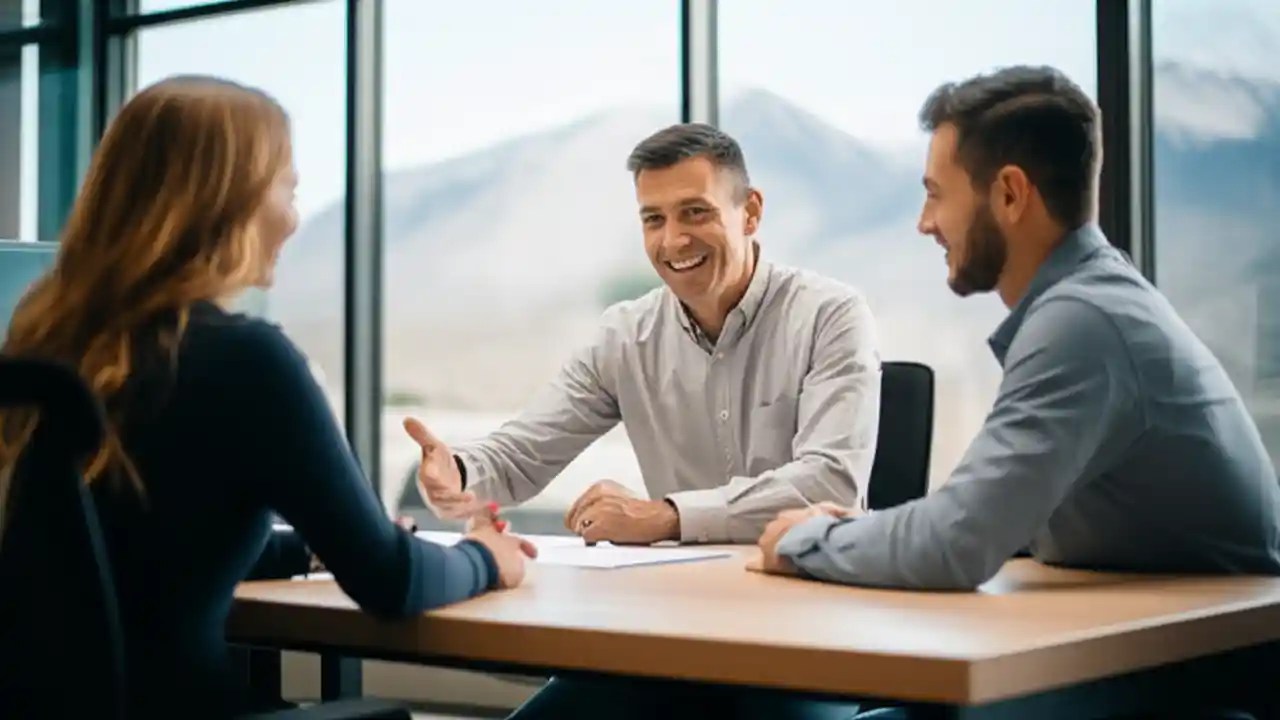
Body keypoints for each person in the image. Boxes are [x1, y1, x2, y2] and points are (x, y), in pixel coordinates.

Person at [0, 75, 535, 719]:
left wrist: (306, 546)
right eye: (288, 187)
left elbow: (130, 541)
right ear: (227, 201)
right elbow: (391, 581)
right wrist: (487, 557)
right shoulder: (246, 359)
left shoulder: (45, 345)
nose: (292, 216)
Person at [753, 65, 1280, 591]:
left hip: (1211, 662)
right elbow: (981, 517)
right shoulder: (1090, 302)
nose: (925, 222)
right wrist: (866, 535)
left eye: (937, 193)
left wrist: (803, 541)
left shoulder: (1082, 323)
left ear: (1009, 194)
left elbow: (954, 544)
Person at [406, 122, 882, 548]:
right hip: (682, 601)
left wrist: (665, 517)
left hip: (812, 594)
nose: (673, 240)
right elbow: (522, 454)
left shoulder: (830, 316)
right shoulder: (625, 337)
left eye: (695, 212)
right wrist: (459, 472)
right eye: (654, 219)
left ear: (750, 212)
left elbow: (829, 482)